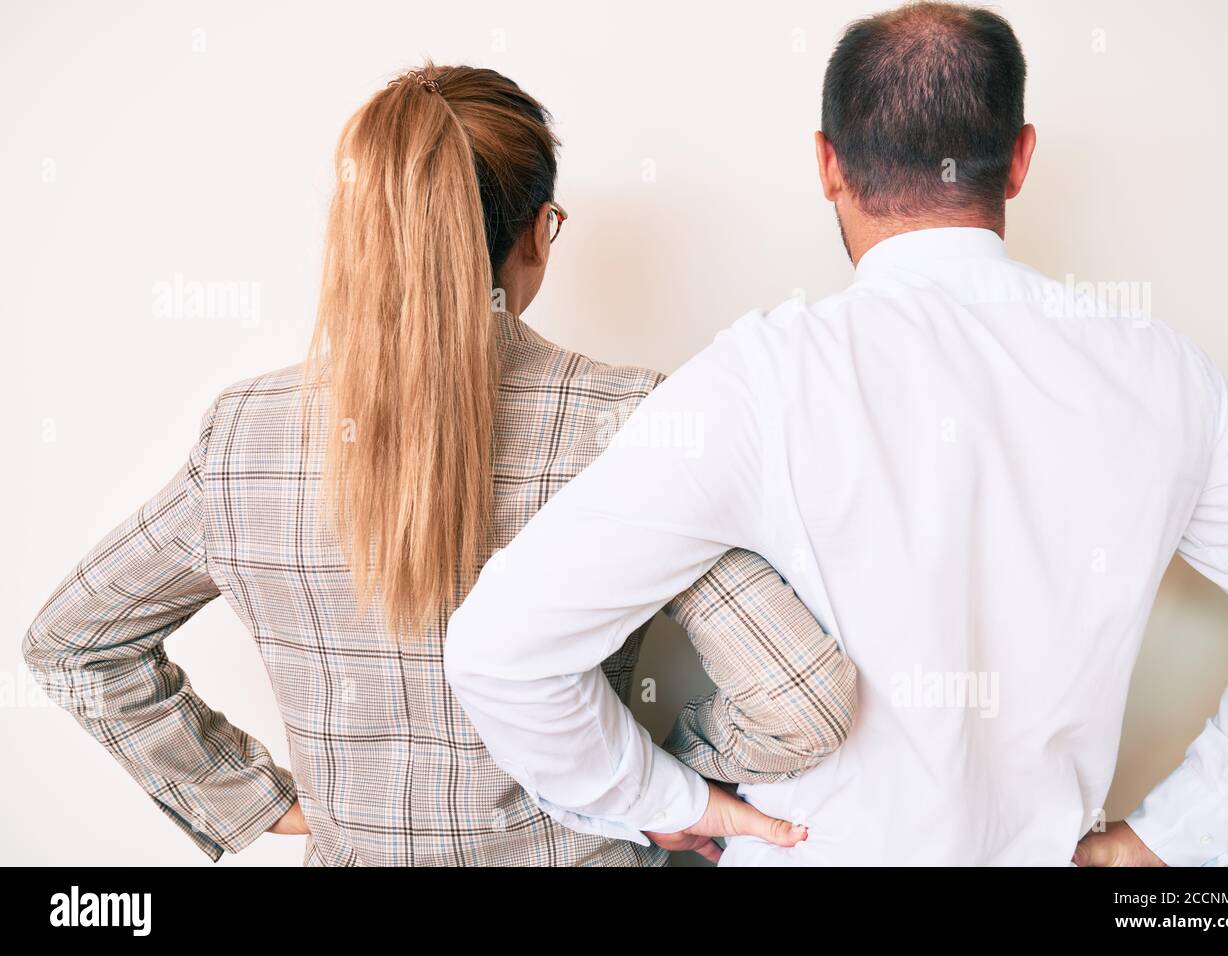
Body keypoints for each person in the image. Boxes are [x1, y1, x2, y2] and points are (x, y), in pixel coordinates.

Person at [445, 3, 1228, 866]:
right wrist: (1170, 840)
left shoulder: (761, 381)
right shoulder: (1163, 374)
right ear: (1019, 158)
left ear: (826, 164)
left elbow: (501, 654)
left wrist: (662, 801)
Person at [22, 64, 856, 866]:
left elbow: (75, 643)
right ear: (539, 231)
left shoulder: (244, 435)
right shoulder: (627, 423)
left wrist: (254, 799)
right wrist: (657, 785)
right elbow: (800, 704)